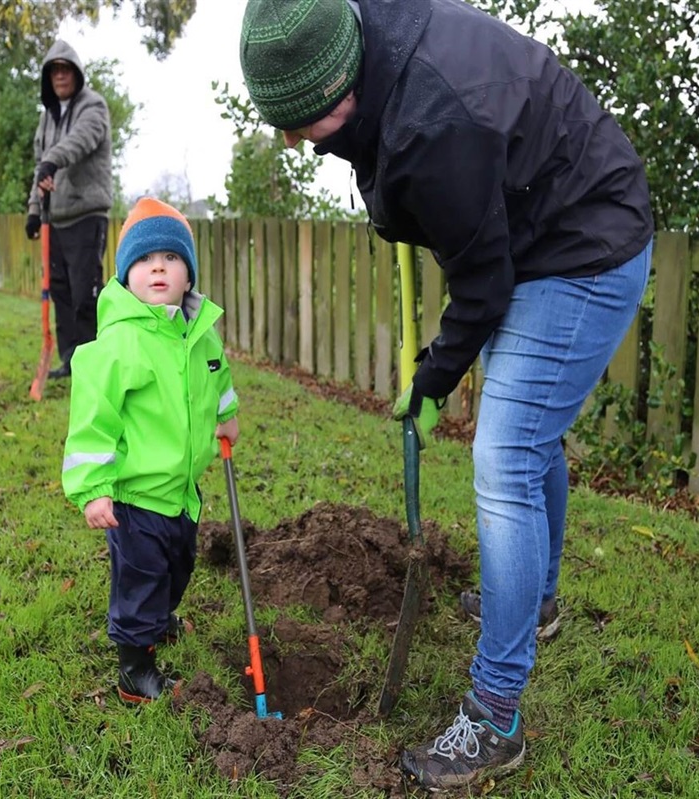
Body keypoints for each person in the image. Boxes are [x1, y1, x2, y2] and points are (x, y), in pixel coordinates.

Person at [240, 0, 654, 790]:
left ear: (338, 91)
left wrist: (433, 376)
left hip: (585, 242)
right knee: (529, 433)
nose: (294, 143)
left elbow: (483, 284)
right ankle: (538, 603)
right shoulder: (366, 45)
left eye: (299, 126)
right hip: (535, 225)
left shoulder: (432, 128)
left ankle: (495, 716)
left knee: (506, 453)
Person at [62, 197, 240, 705]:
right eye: (144, 259)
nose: (158, 267)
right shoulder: (119, 343)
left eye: (170, 257)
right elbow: (93, 419)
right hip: (135, 498)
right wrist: (94, 489)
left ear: (189, 274)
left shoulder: (199, 333)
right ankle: (134, 669)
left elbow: (217, 376)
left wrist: (227, 414)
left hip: (182, 492)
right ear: (125, 276)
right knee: (140, 580)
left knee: (178, 567)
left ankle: (160, 618)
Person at [26, 40, 113, 380]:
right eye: (54, 71)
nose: (60, 76)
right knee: (60, 292)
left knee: (84, 295)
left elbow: (80, 141)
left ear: (76, 73)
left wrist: (51, 160)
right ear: (48, 78)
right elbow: (40, 166)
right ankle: (71, 360)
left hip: (86, 215)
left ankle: (95, 363)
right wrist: (34, 209)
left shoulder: (93, 106)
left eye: (65, 70)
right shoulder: (46, 117)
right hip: (55, 218)